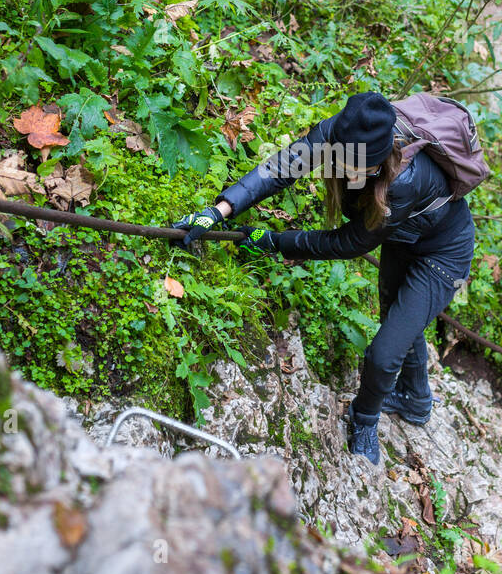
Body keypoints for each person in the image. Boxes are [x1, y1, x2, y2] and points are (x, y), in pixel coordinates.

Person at [171, 91, 476, 466]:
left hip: (442, 253)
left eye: (358, 169)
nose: (347, 175)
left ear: (383, 160)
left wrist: (274, 242)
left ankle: (365, 419)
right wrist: (219, 211)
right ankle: (417, 401)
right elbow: (281, 167)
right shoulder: (338, 133)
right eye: (343, 163)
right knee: (397, 319)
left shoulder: (405, 181)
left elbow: (350, 241)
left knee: (383, 354)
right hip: (402, 237)